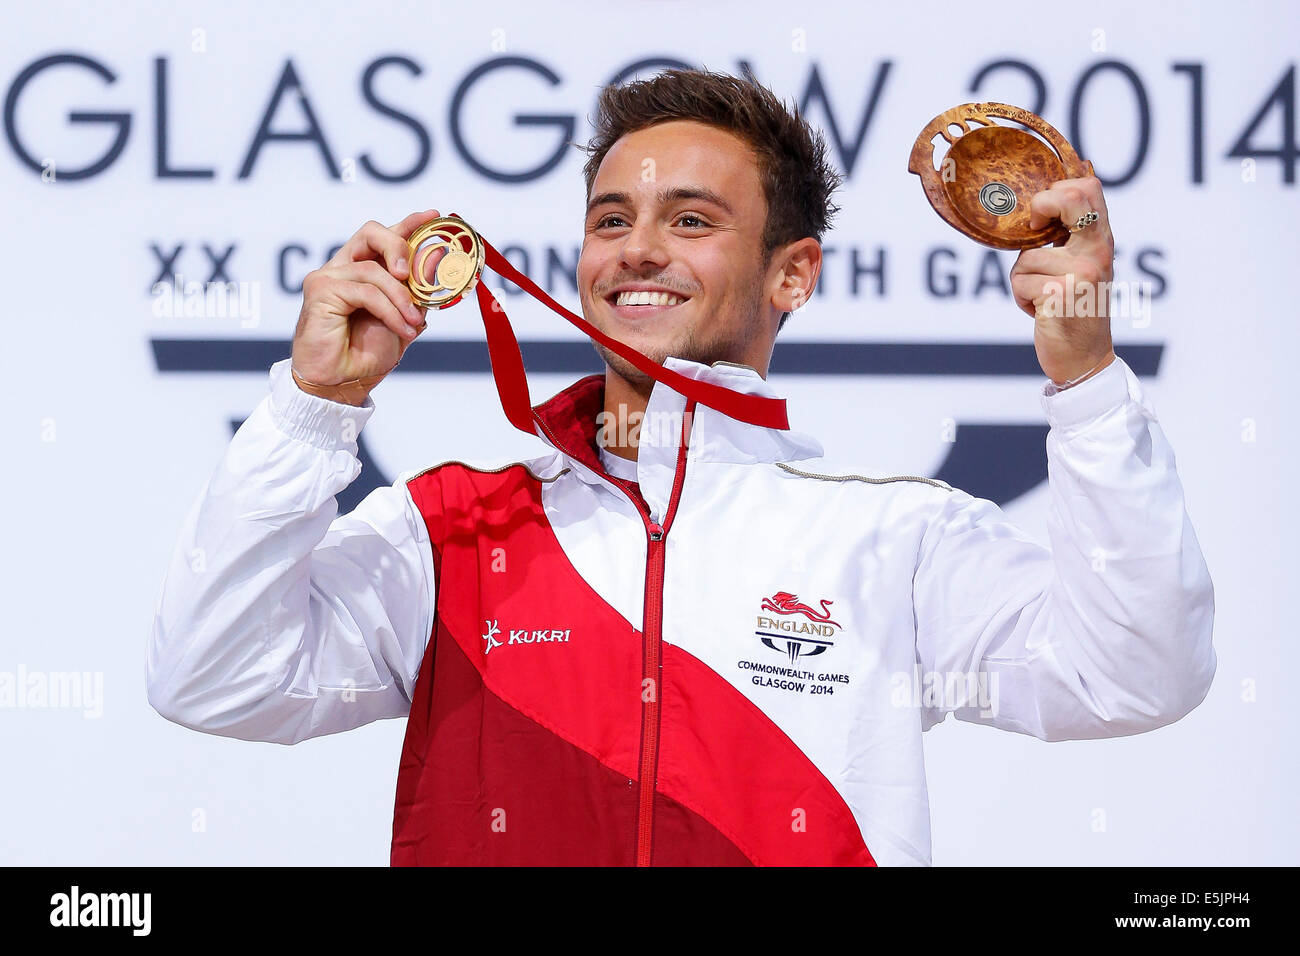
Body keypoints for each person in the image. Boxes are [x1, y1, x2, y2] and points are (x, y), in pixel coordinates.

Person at [147, 69, 1216, 866]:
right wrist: (311, 407)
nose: (635, 250)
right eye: (610, 220)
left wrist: (1084, 374)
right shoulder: (451, 531)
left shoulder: (891, 538)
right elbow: (211, 676)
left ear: (792, 273)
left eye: (691, 220)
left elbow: (1132, 672)